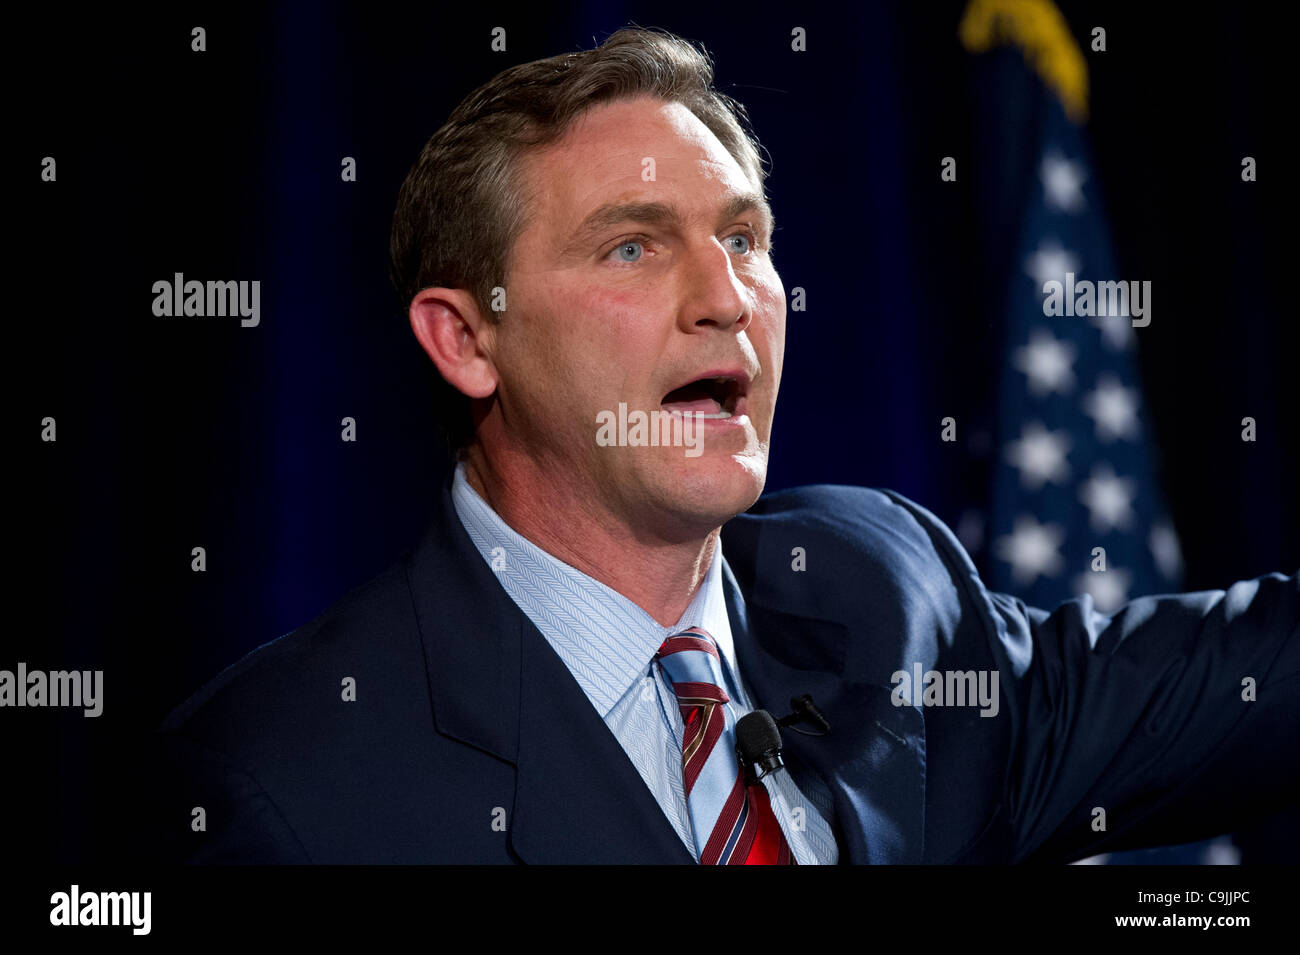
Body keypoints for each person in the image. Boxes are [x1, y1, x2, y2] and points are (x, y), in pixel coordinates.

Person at [150, 27, 1298, 864]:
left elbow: (1243, 680)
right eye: (632, 249)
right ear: (465, 339)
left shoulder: (882, 599)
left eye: (743, 237)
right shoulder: (285, 781)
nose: (725, 297)